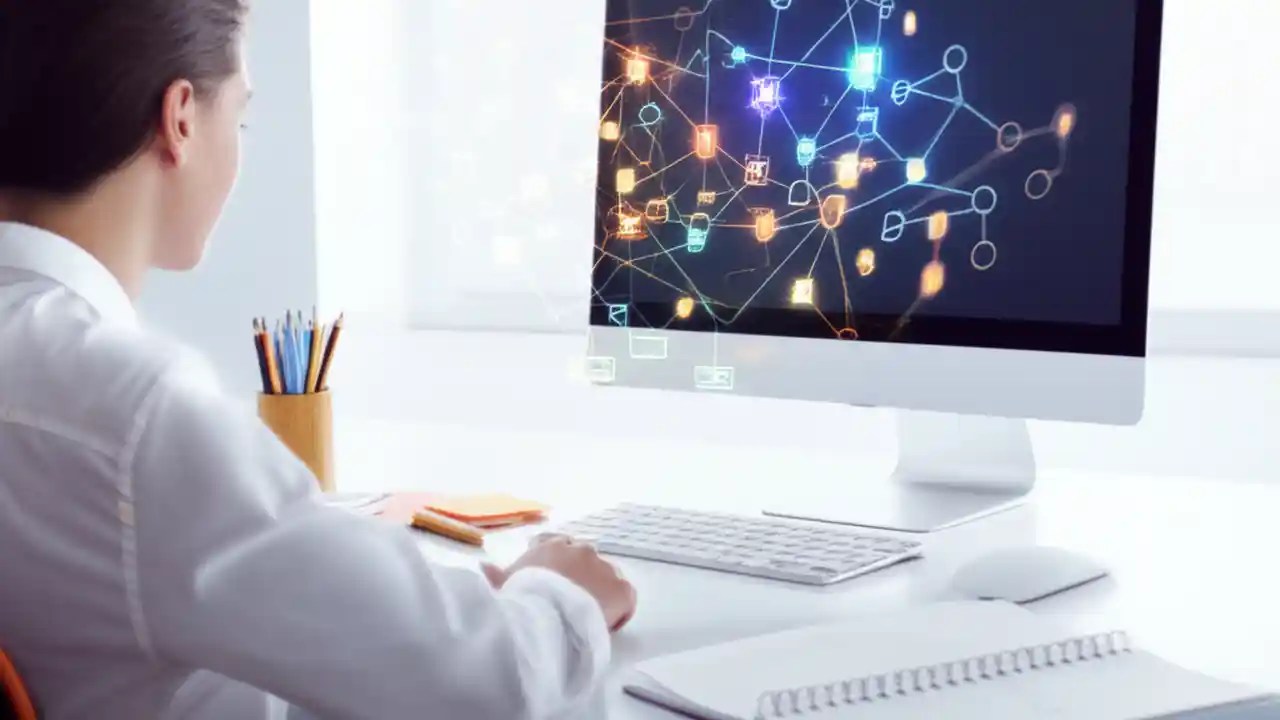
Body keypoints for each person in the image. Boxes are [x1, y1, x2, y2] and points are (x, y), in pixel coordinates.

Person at [0, 1, 637, 718]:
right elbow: (486, 687)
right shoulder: (137, 411)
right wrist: (561, 596)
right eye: (239, 118)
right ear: (179, 120)